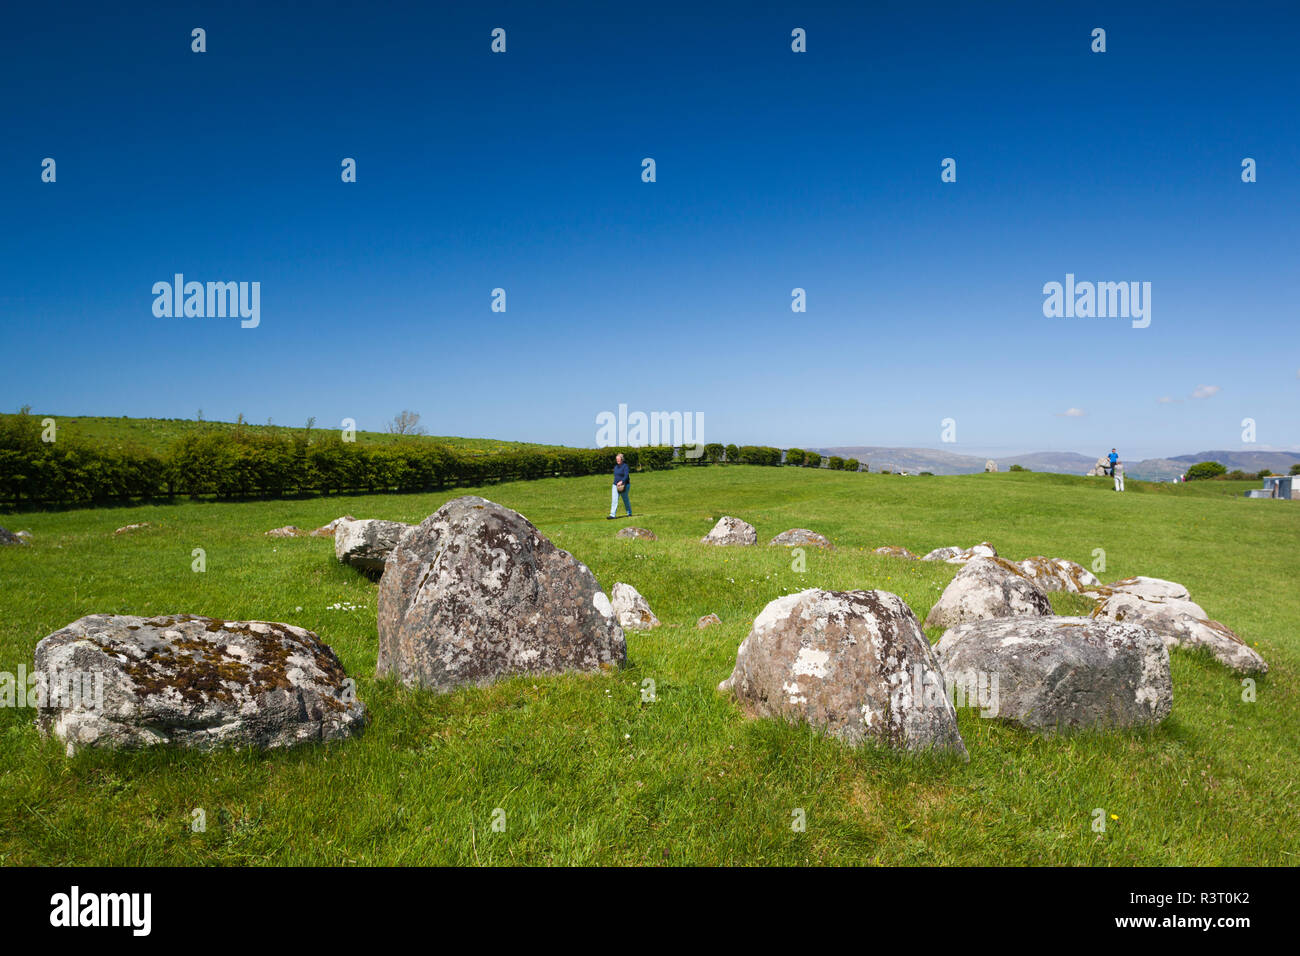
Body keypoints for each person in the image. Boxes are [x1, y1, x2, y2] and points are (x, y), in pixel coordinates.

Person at [607, 453, 632, 519]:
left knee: (625, 499)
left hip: (624, 485)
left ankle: (629, 513)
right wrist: (616, 483)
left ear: (622, 459)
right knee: (614, 500)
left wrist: (622, 481)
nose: (617, 460)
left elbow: (626, 475)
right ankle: (612, 515)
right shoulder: (616, 467)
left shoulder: (625, 466)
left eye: (618, 459)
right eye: (616, 459)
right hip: (615, 485)